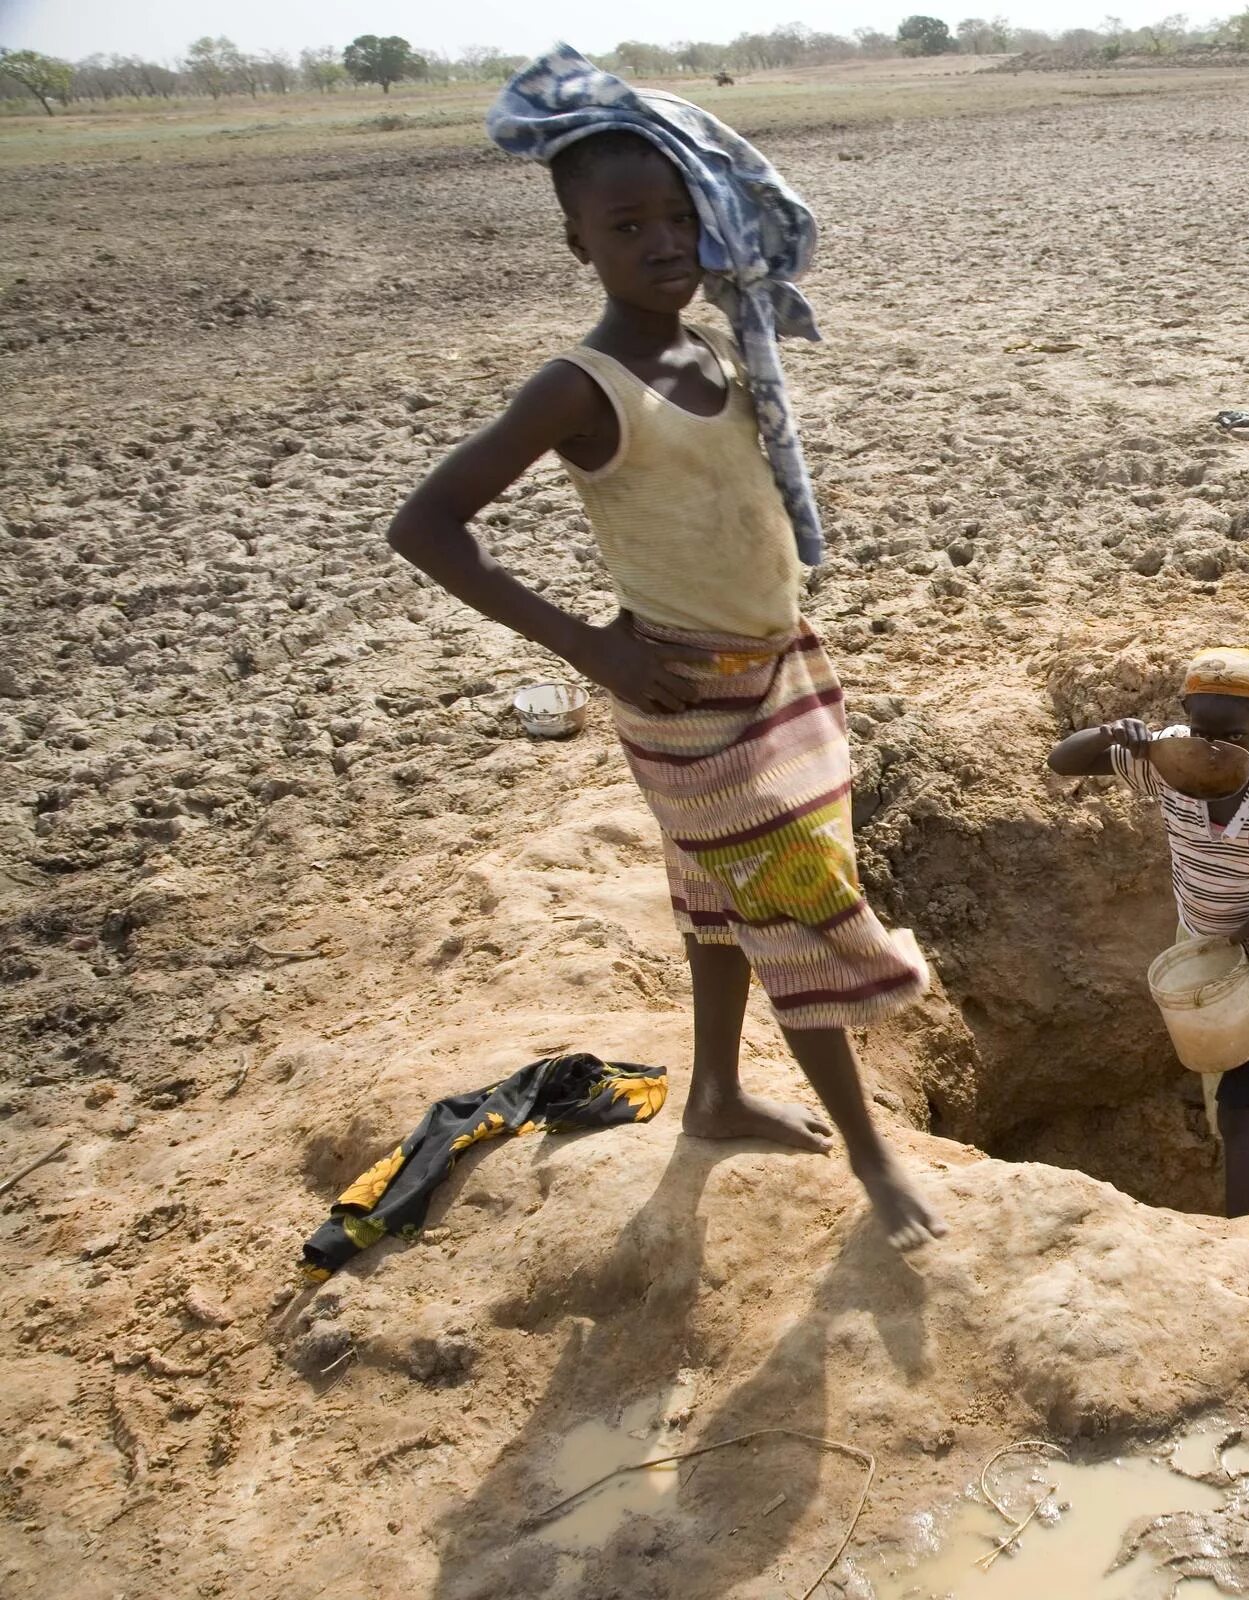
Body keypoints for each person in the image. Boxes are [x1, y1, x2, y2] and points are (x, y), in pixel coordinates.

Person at [386, 76, 943, 1250]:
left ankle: (713, 1094)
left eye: (679, 219)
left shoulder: (714, 353)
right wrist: (591, 647)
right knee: (792, 903)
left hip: (779, 671)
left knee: (716, 899)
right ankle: (876, 1159)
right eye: (627, 226)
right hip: (684, 695)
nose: (661, 244)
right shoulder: (581, 387)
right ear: (576, 241)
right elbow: (426, 526)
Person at [1047, 649, 1249, 1217]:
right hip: (1201, 943)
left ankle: (1245, 1236)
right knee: (1221, 1063)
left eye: (1235, 736)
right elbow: (1063, 762)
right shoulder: (1170, 758)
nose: (1215, 748)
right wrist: (1110, 734)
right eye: (1203, 730)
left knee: (1241, 1102)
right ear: (1186, 719)